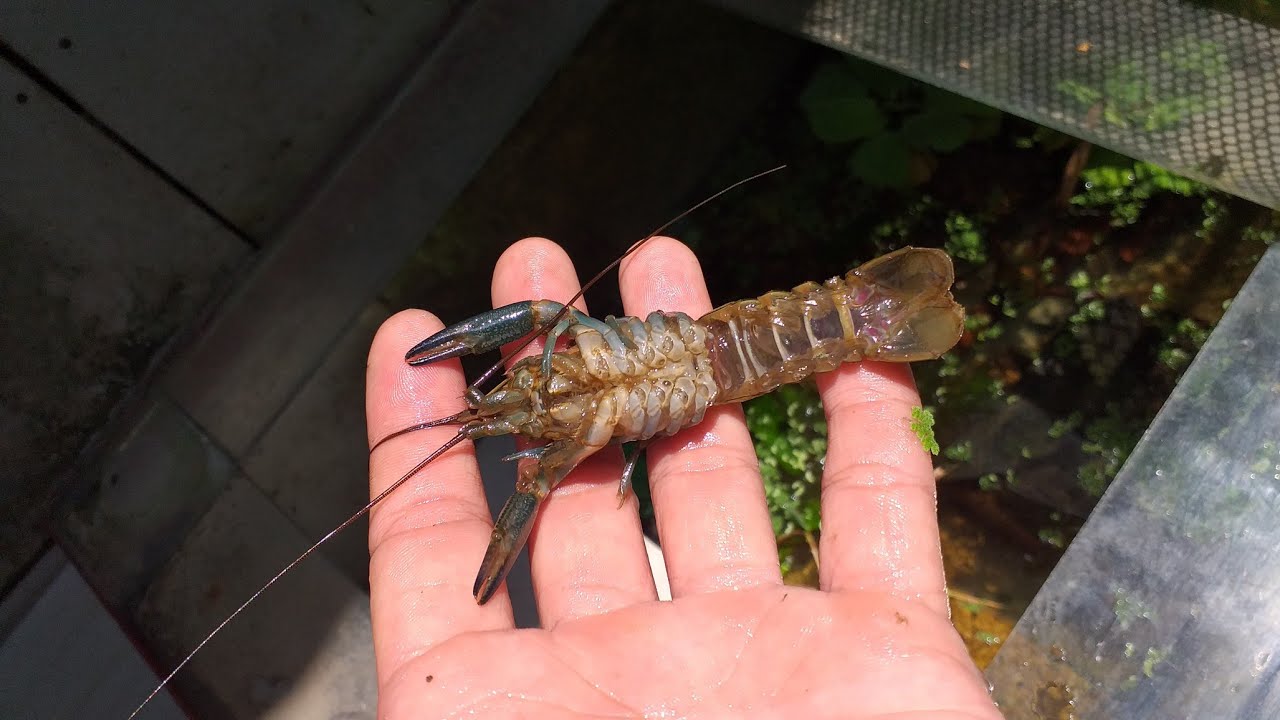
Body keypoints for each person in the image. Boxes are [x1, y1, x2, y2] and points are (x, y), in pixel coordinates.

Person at [365, 236, 1002, 718]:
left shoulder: (568, 414)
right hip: (706, 365)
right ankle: (857, 314)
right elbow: (544, 317)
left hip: (741, 346)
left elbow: (543, 320)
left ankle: (855, 313)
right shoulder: (575, 414)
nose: (522, 398)